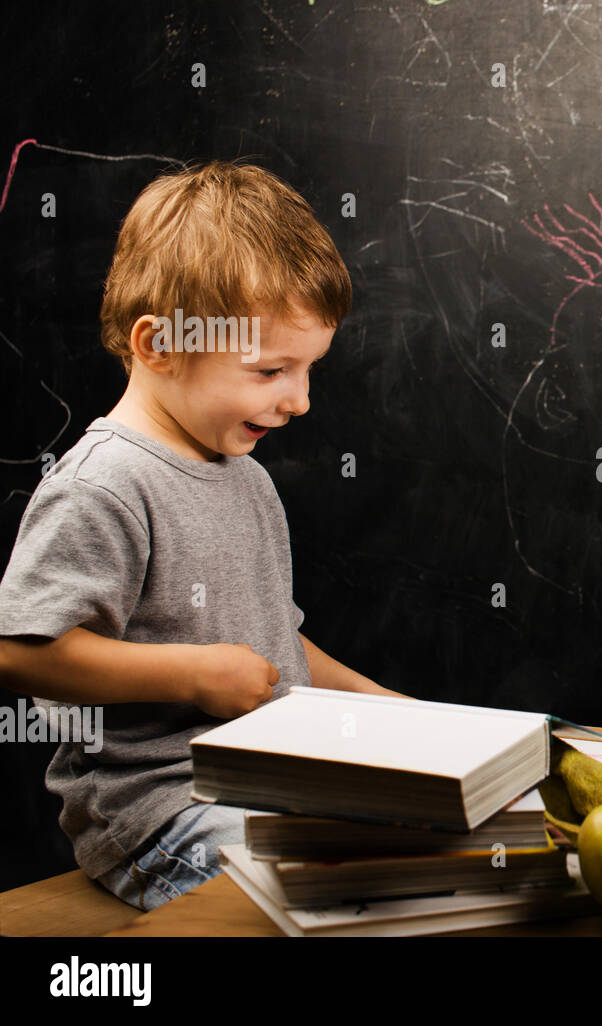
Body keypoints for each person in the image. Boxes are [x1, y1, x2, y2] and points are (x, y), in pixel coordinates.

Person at [0, 161, 407, 909]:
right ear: (159, 347)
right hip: (168, 812)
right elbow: (23, 651)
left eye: (309, 370)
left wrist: (380, 701)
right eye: (271, 371)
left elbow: (274, 641)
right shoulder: (104, 484)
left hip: (274, 779)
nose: (300, 401)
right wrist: (190, 675)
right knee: (325, 900)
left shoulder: (242, 474)